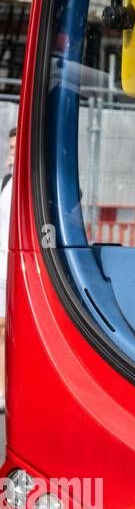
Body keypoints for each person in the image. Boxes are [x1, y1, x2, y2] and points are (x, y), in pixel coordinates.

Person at [0, 126, 15, 412]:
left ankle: (4, 389)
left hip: (11, 266)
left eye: (15, 147)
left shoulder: (23, 182)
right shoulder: (6, 181)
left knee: (4, 329)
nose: (11, 153)